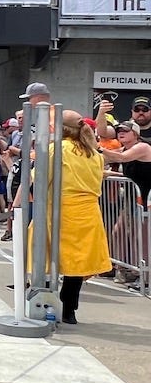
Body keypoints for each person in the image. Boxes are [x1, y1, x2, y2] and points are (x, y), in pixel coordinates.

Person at [41, 111, 112, 324]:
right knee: (77, 265)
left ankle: (46, 304)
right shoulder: (94, 153)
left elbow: (43, 177)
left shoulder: (57, 149)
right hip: (89, 213)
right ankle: (69, 310)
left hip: (62, 210)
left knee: (46, 256)